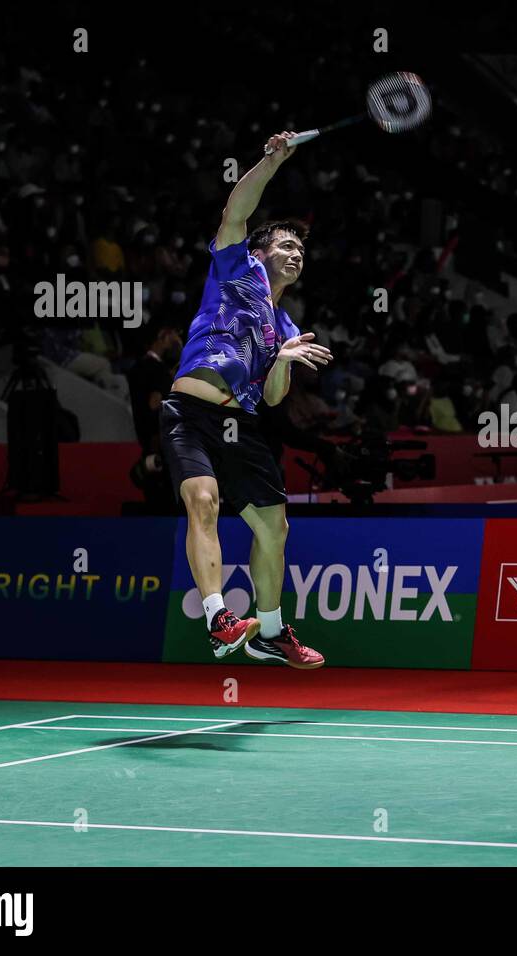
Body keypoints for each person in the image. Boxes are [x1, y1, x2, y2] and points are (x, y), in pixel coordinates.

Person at [159, 131, 333, 668]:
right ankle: (219, 618)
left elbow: (276, 398)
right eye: (286, 244)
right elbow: (238, 209)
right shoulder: (236, 269)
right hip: (190, 413)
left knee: (274, 526)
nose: (296, 253)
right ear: (258, 252)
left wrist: (281, 361)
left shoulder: (286, 326)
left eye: (301, 250)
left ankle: (271, 631)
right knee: (203, 501)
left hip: (242, 426)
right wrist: (271, 161)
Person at [126, 318, 183, 509]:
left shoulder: (140, 368)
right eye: (175, 337)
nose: (178, 343)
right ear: (163, 337)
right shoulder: (155, 370)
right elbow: (156, 408)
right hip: (163, 455)